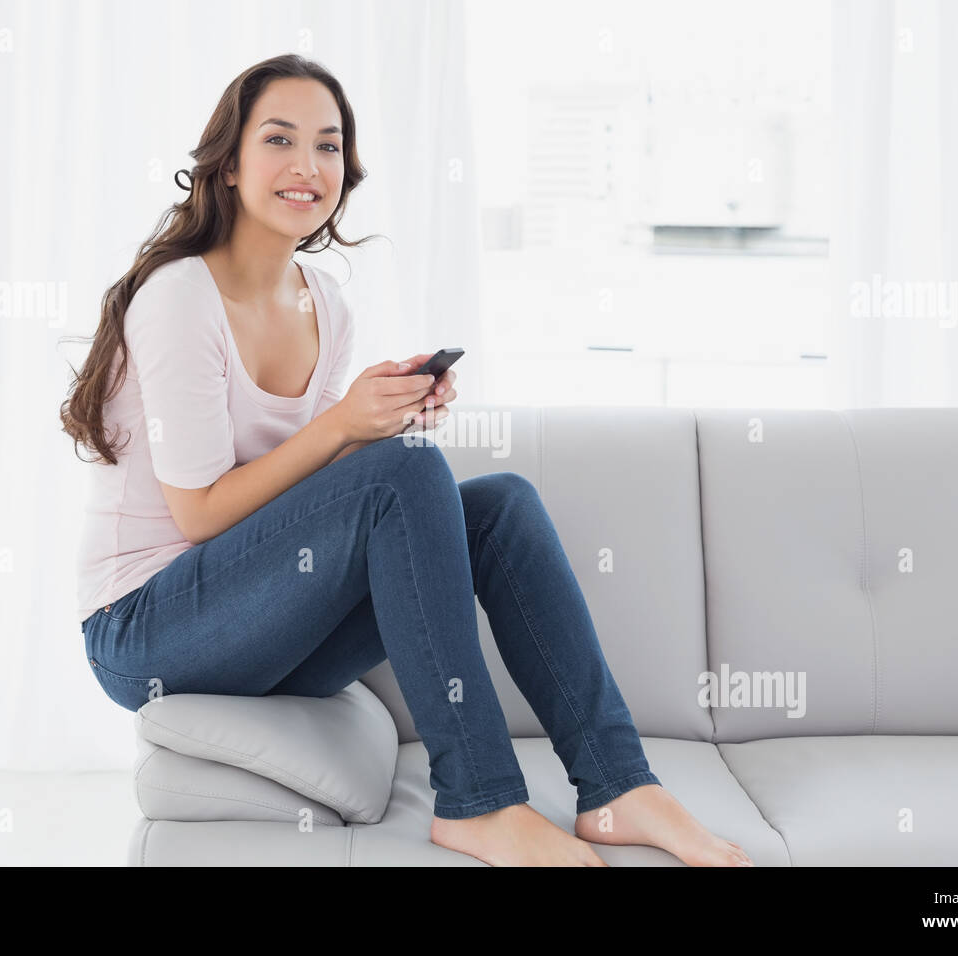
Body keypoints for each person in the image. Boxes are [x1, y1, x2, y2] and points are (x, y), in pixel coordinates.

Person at [59, 54, 753, 868]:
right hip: (145, 631)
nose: (306, 166)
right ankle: (478, 802)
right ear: (229, 164)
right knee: (410, 474)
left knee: (499, 506)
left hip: (258, 623)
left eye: (327, 146)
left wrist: (371, 425)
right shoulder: (181, 294)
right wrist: (346, 432)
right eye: (278, 139)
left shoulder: (326, 302)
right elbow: (200, 515)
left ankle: (617, 786)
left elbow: (308, 504)